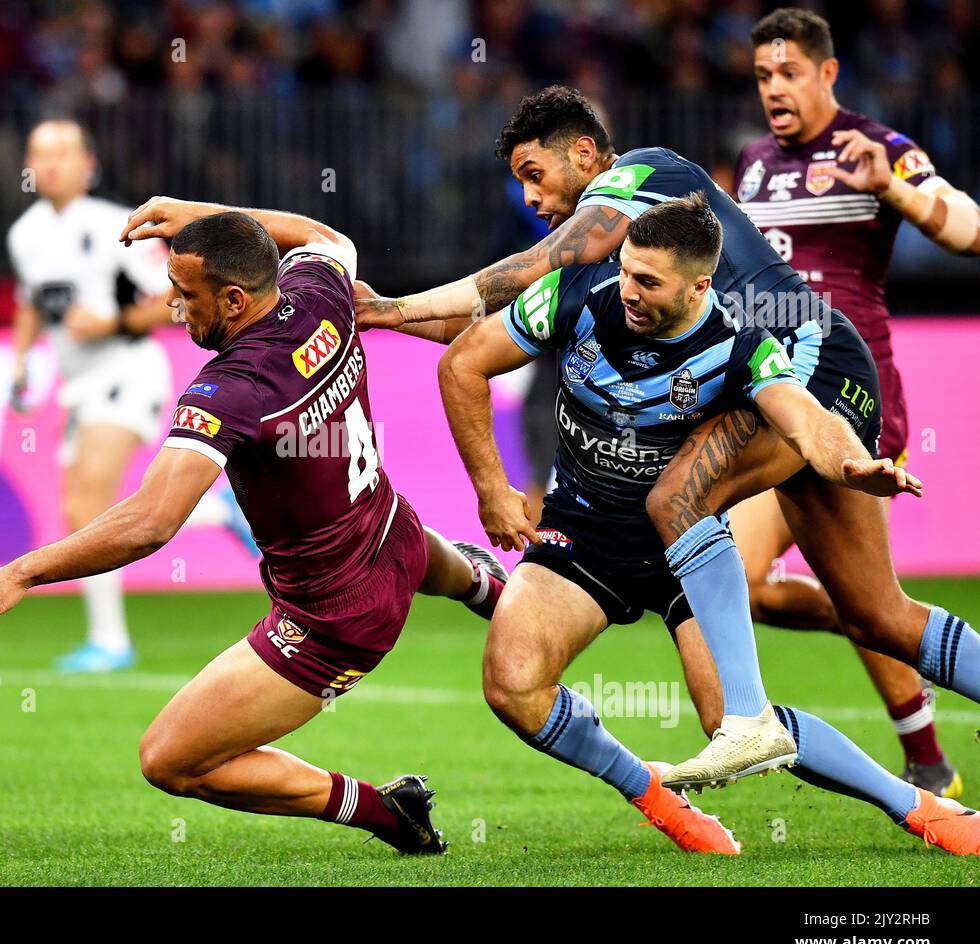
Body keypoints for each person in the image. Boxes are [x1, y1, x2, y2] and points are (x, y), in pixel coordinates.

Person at [355, 85, 980, 793]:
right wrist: (380, 314)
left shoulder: (644, 176)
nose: (529, 197)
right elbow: (481, 319)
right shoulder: (610, 270)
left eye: (535, 174)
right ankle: (834, 744)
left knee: (679, 493)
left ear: (586, 153)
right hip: (787, 377)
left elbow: (540, 261)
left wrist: (398, 301)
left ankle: (747, 721)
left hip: (804, 361)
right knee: (878, 615)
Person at [0, 199, 508, 854]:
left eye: (186, 294)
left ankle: (386, 811)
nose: (176, 308)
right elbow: (325, 235)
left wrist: (21, 571)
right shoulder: (322, 292)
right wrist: (198, 212)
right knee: (414, 548)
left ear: (234, 300)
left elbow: (150, 522)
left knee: (168, 758)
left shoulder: (231, 388)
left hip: (333, 619)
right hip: (395, 530)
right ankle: (490, 590)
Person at [438, 193, 979, 856]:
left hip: (682, 549)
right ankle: (652, 793)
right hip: (583, 532)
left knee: (741, 724)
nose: (627, 289)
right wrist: (492, 488)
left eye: (646, 281)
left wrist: (852, 464)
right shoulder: (574, 293)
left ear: (698, 287)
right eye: (626, 269)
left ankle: (920, 806)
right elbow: (463, 360)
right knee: (511, 681)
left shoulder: (739, 344)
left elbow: (804, 416)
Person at [730, 7, 980, 797]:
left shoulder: (876, 149)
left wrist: (895, 193)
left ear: (827, 73)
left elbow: (969, 228)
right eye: (765, 75)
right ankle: (928, 759)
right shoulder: (752, 167)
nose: (776, 88)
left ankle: (924, 759)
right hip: (774, 404)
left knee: (871, 606)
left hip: (849, 398)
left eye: (790, 72)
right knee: (766, 588)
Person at [7, 119, 255, 673]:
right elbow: (29, 303)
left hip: (128, 371)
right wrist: (21, 361)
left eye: (63, 153)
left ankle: (112, 642)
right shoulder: (24, 233)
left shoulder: (116, 227)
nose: (49, 164)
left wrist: (111, 324)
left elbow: (175, 297)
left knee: (89, 506)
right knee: (80, 514)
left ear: (87, 165)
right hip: (78, 387)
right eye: (39, 153)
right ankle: (219, 511)